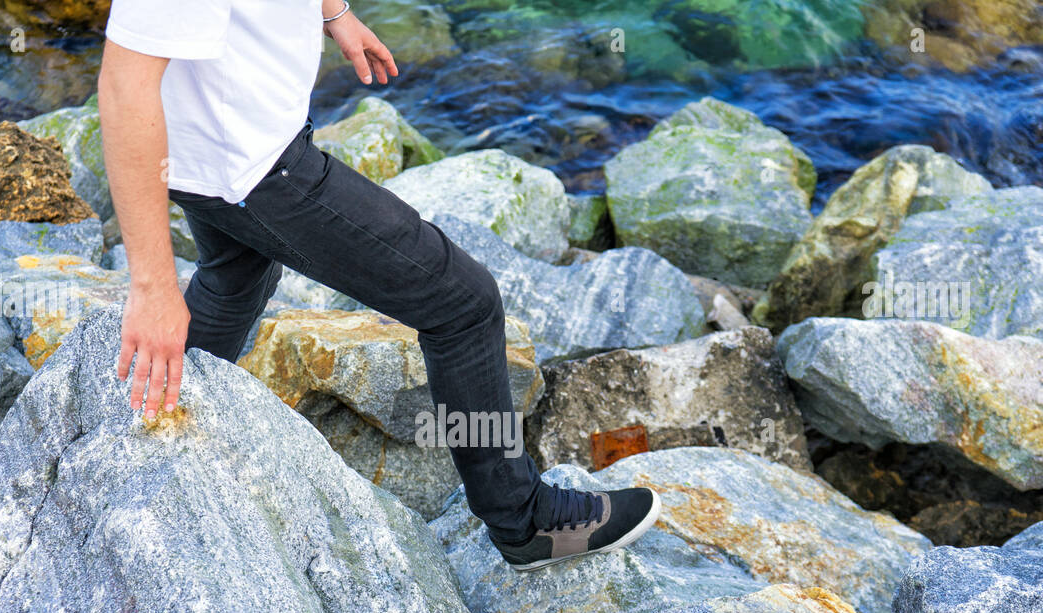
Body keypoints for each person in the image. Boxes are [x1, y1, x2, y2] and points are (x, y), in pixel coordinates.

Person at [97, 0, 661, 570]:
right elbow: (125, 84)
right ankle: (523, 520)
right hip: (254, 169)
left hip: (228, 153)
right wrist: (152, 287)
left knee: (236, 272)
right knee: (463, 304)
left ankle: (152, 431)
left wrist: (330, 11)